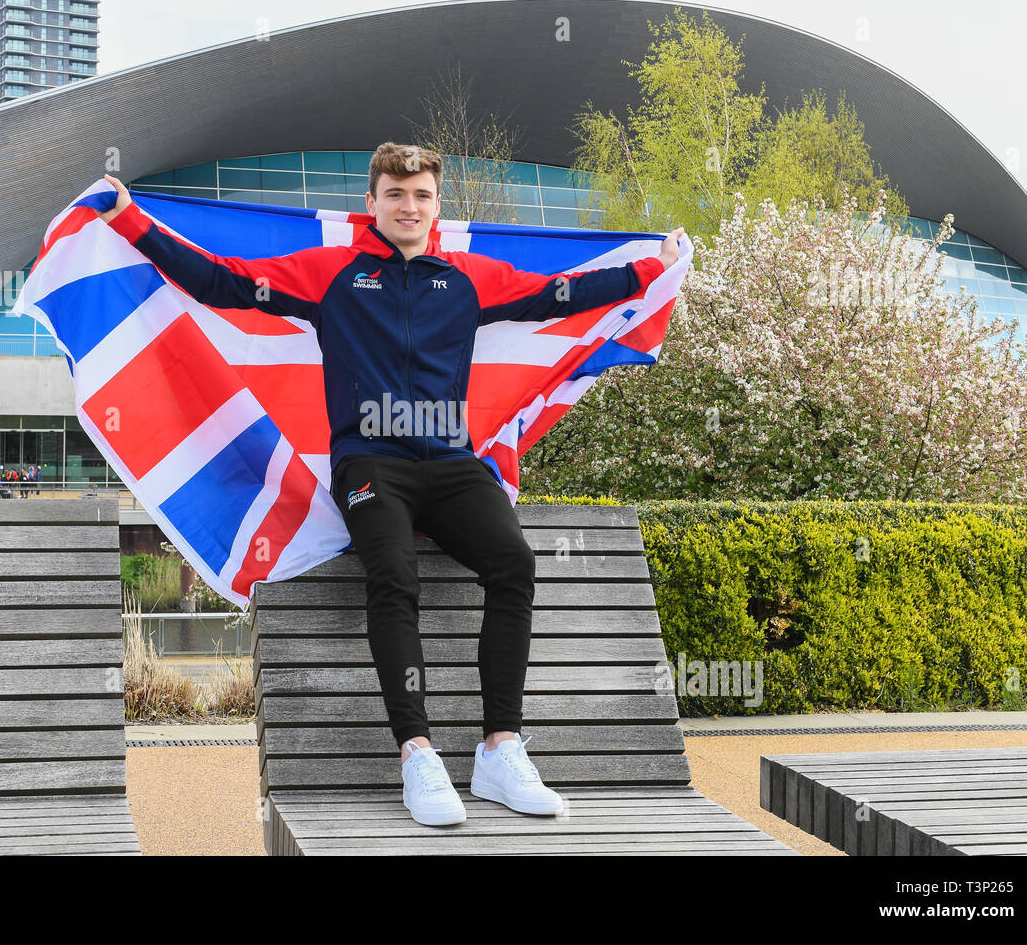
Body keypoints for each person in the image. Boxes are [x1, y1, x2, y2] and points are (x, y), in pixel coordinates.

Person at [98, 144, 683, 827]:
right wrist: (129, 219)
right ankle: (417, 755)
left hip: (452, 464)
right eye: (396, 195)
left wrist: (653, 267)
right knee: (395, 574)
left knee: (514, 564)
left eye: (422, 196)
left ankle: (500, 748)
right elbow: (222, 282)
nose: (409, 207)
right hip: (369, 465)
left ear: (437, 207)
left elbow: (561, 294)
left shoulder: (466, 278)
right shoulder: (331, 273)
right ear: (371, 204)